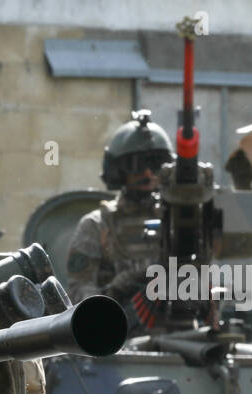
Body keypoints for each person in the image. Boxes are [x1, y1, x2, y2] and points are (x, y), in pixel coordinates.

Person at [66, 111, 174, 330]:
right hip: (116, 331)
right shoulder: (97, 226)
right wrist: (113, 292)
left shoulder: (178, 222)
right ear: (118, 169)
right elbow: (78, 293)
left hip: (178, 331)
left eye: (155, 164)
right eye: (136, 164)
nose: (146, 172)